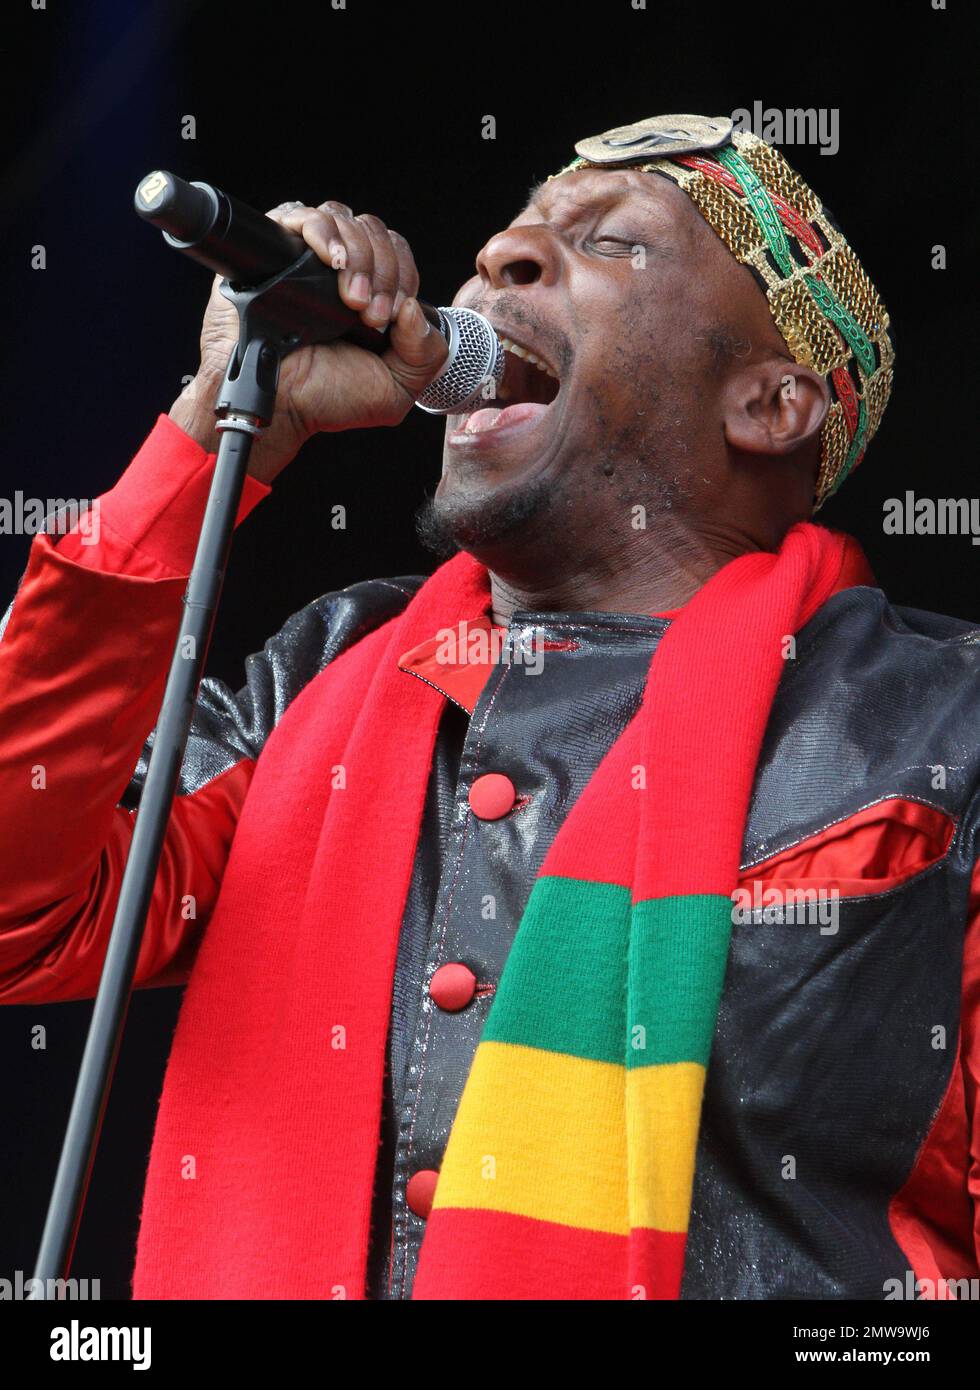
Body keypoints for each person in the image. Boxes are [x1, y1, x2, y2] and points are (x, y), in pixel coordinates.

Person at [0, 114, 977, 1301]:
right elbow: (21, 911)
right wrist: (219, 426)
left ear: (770, 405)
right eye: (510, 234)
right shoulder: (322, 675)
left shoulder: (933, 727)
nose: (502, 250)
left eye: (611, 243)